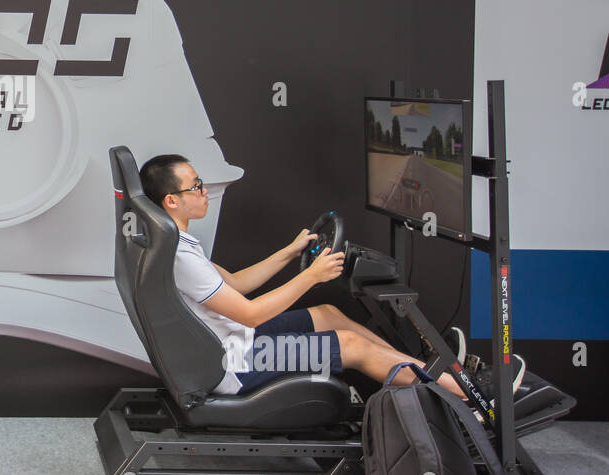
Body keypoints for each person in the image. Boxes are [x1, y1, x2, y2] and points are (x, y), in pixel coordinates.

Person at [138, 153, 473, 399]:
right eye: (195, 186)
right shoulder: (180, 256)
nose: (203, 190)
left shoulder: (172, 241)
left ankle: (424, 371)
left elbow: (236, 283)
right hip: (234, 364)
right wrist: (312, 276)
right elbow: (251, 314)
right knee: (352, 345)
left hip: (235, 343)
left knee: (327, 315)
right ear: (172, 201)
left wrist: (290, 251)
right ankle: (463, 395)